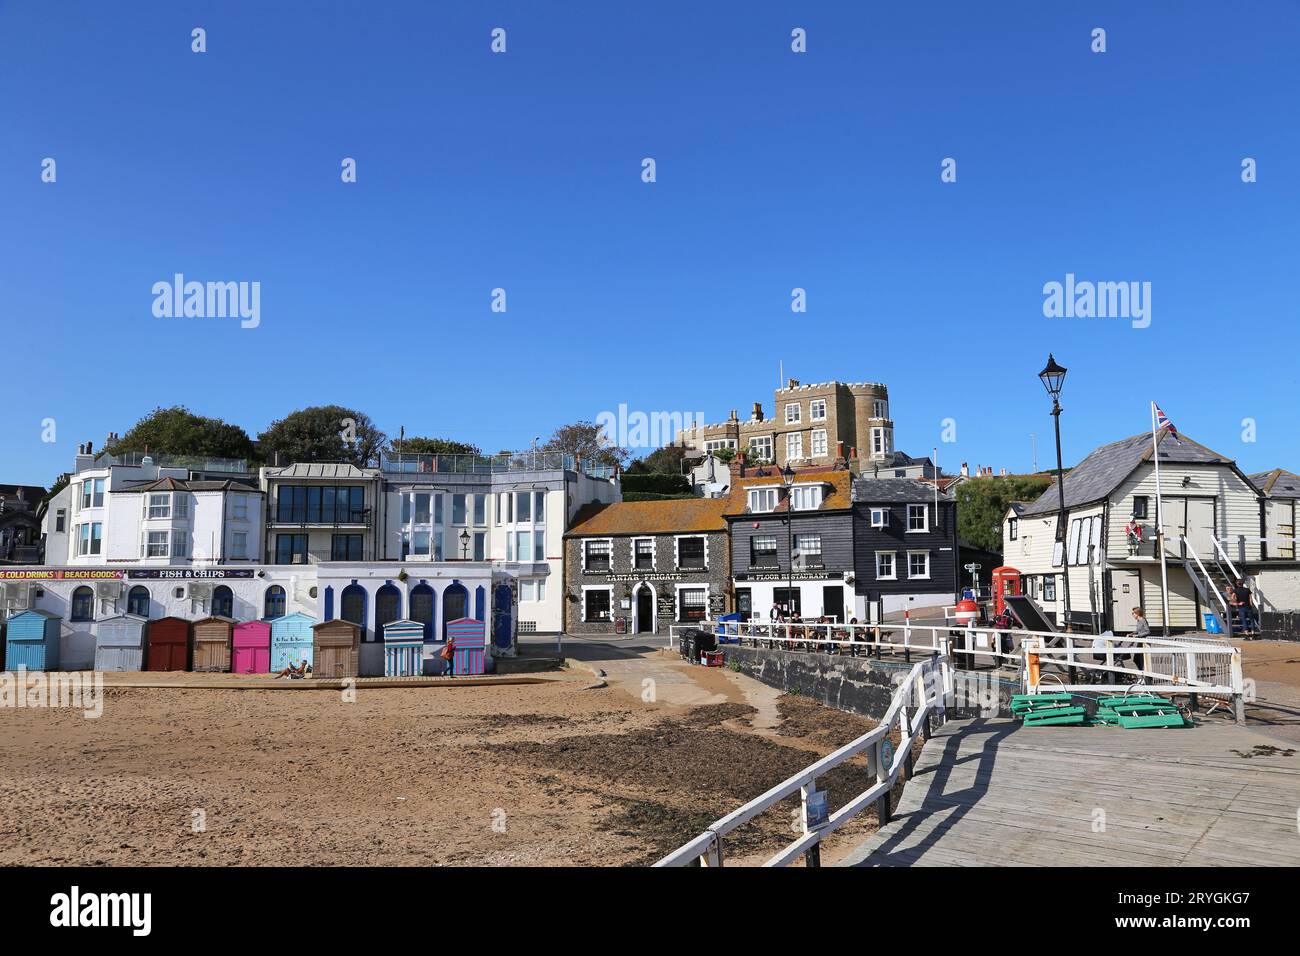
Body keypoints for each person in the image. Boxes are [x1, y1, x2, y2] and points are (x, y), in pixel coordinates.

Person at [1129, 607, 1150, 676]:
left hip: (1144, 642)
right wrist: (1131, 634)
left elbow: (1147, 631)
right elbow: (1138, 631)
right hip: (1140, 642)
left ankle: (1145, 676)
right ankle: (1142, 674)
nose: (1132, 615)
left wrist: (1138, 636)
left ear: (1137, 613)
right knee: (1136, 659)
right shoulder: (1138, 621)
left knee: (1141, 660)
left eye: (1133, 613)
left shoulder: (1143, 620)